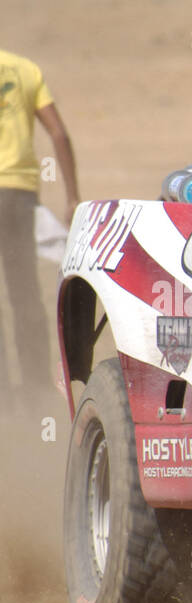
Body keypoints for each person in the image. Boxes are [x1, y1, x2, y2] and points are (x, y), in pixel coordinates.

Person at [0, 48, 79, 397]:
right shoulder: (25, 69)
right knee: (25, 294)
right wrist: (73, 195)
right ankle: (35, 391)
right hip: (17, 196)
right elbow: (58, 134)